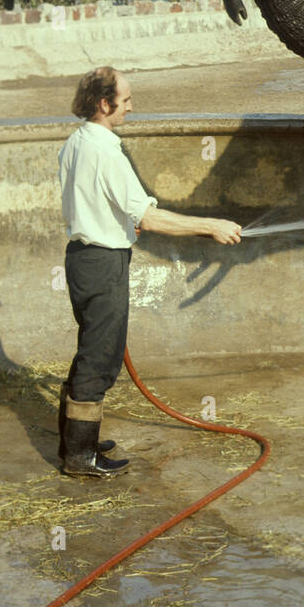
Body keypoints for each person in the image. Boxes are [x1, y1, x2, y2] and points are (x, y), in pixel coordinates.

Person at [56, 66, 242, 477]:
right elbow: (149, 218)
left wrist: (126, 219)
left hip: (81, 256)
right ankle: (80, 458)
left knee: (90, 347)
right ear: (104, 104)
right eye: (125, 100)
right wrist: (211, 226)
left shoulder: (75, 142)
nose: (131, 106)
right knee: (100, 358)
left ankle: (75, 440)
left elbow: (89, 200)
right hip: (103, 262)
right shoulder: (106, 150)